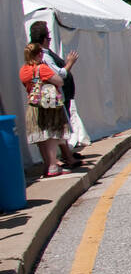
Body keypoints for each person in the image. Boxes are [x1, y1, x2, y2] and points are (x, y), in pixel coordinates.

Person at [28, 21, 84, 166]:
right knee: (55, 131)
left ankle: (59, 160)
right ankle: (56, 162)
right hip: (50, 99)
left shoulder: (39, 61)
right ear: (44, 39)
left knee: (53, 132)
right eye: (48, 38)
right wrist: (70, 63)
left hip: (46, 100)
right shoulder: (43, 60)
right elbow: (58, 77)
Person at [20, 41, 70, 178]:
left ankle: (47, 165)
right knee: (51, 135)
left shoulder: (23, 70)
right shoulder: (41, 68)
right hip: (47, 105)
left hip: (33, 105)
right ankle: (53, 165)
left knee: (41, 137)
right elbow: (59, 81)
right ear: (38, 54)